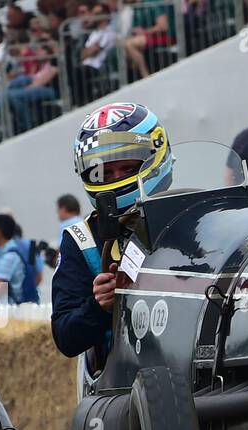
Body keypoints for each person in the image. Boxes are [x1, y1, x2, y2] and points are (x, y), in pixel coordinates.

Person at [51, 102, 174, 358]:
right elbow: (64, 337)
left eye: (128, 168)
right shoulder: (82, 239)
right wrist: (99, 305)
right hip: (125, 379)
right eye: (105, 173)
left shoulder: (193, 215)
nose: (117, 178)